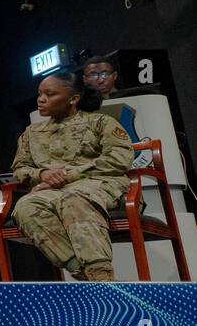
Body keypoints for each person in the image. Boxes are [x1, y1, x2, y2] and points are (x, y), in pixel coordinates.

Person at [10, 69, 132, 281]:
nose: (41, 99)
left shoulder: (99, 122)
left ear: (73, 99)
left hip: (97, 184)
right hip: (52, 191)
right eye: (39, 94)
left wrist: (68, 176)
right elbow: (20, 167)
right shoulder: (32, 133)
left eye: (50, 94)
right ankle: (87, 275)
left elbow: (118, 159)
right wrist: (43, 174)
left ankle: (101, 275)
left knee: (73, 199)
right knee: (25, 207)